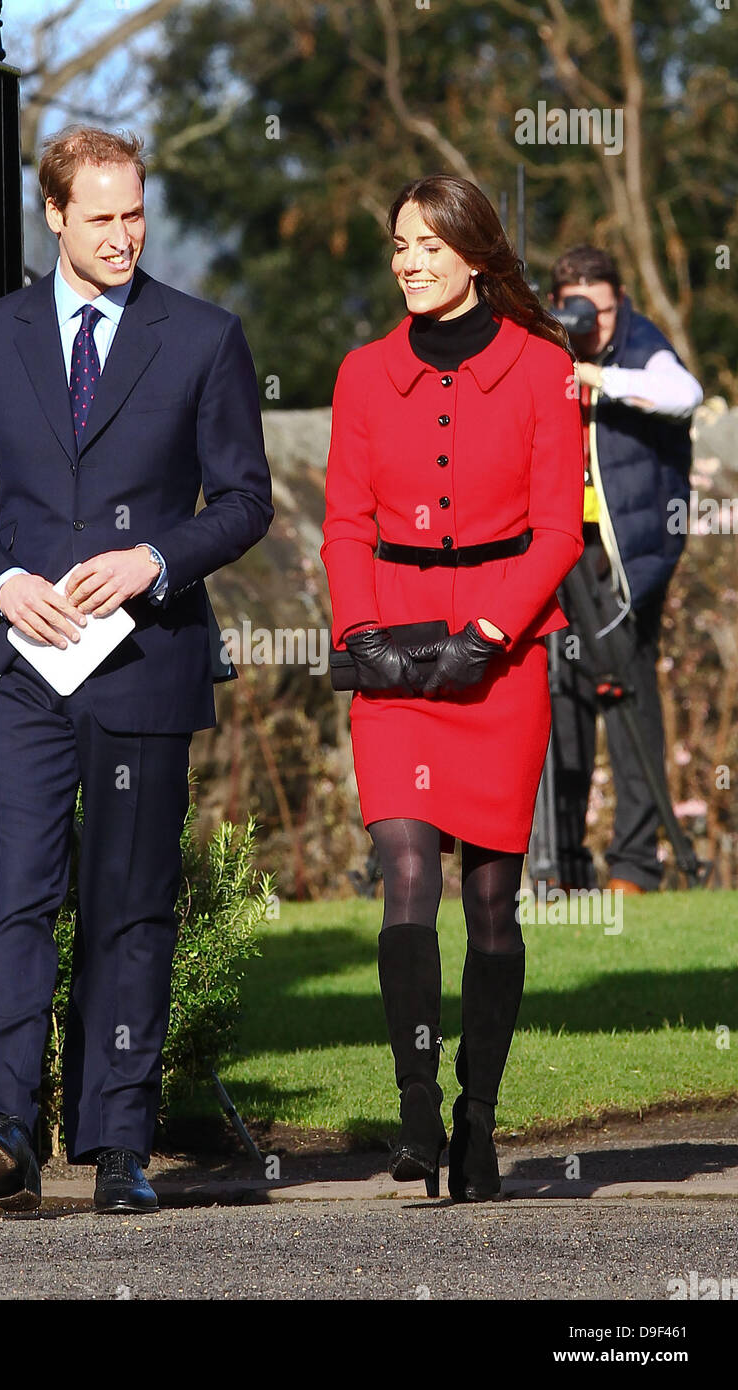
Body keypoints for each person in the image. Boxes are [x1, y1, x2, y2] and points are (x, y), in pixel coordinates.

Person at [0, 126, 273, 1213]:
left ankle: (118, 1144)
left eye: (136, 216)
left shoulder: (204, 338)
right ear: (55, 215)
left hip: (144, 663)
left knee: (129, 905)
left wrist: (155, 557)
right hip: (24, 668)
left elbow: (247, 500)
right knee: (17, 893)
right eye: (102, 217)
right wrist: (1, 582)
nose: (123, 237)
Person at [320, 175, 584, 1201]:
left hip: (499, 650)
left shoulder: (545, 368)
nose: (410, 262)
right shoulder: (360, 372)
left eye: (429, 244)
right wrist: (358, 631)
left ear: (475, 252)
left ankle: (479, 1116)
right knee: (404, 866)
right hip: (392, 648)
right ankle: (418, 1106)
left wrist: (491, 629)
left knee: (490, 902)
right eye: (398, 246)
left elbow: (561, 527)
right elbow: (345, 520)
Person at [548, 246, 702, 893]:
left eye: (602, 309)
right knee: (563, 704)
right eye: (578, 309)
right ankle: (564, 864)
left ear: (620, 303)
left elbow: (685, 393)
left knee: (630, 700)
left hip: (622, 556)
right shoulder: (545, 345)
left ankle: (636, 867)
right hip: (553, 547)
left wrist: (598, 379)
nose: (592, 323)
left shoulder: (639, 343)